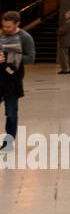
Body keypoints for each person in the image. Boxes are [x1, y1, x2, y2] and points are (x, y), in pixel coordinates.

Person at [0, 11, 35, 152]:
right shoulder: (0, 35)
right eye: (3, 26)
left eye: (9, 27)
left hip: (12, 80)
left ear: (17, 24)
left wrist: (9, 58)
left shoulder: (25, 37)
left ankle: (8, 143)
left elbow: (31, 58)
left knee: (11, 112)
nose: (6, 29)